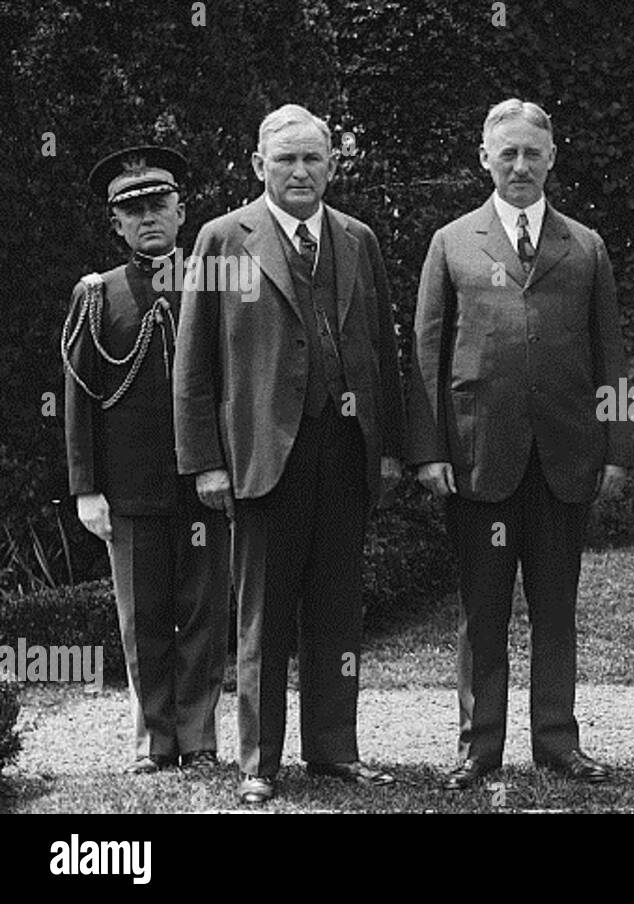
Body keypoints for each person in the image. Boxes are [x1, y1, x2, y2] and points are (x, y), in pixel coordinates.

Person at [172, 104, 404, 804]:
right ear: (259, 167)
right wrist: (206, 462)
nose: (299, 172)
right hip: (262, 457)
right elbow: (194, 362)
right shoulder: (221, 238)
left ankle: (334, 749)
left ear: (332, 165)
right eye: (285, 160)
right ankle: (258, 762)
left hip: (344, 450)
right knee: (263, 614)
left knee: (338, 609)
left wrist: (388, 448)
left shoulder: (357, 239)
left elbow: (381, 352)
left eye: (312, 159)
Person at [406, 99, 630, 790]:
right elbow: (426, 351)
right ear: (485, 158)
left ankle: (558, 743)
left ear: (552, 156)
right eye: (507, 153)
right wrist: (429, 450)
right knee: (484, 609)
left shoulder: (584, 244)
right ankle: (480, 747)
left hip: (565, 457)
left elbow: (609, 353)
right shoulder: (452, 241)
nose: (521, 166)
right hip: (479, 456)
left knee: (557, 607)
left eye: (533, 153)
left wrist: (617, 450)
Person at [63, 145, 230, 776]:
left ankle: (200, 738)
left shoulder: (214, 285)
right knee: (143, 620)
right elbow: (79, 398)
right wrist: (86, 488)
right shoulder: (97, 295)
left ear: (182, 211)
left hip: (205, 482)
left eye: (159, 205)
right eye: (133, 212)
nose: (148, 219)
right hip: (129, 489)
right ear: (115, 223)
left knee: (204, 615)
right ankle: (153, 742)